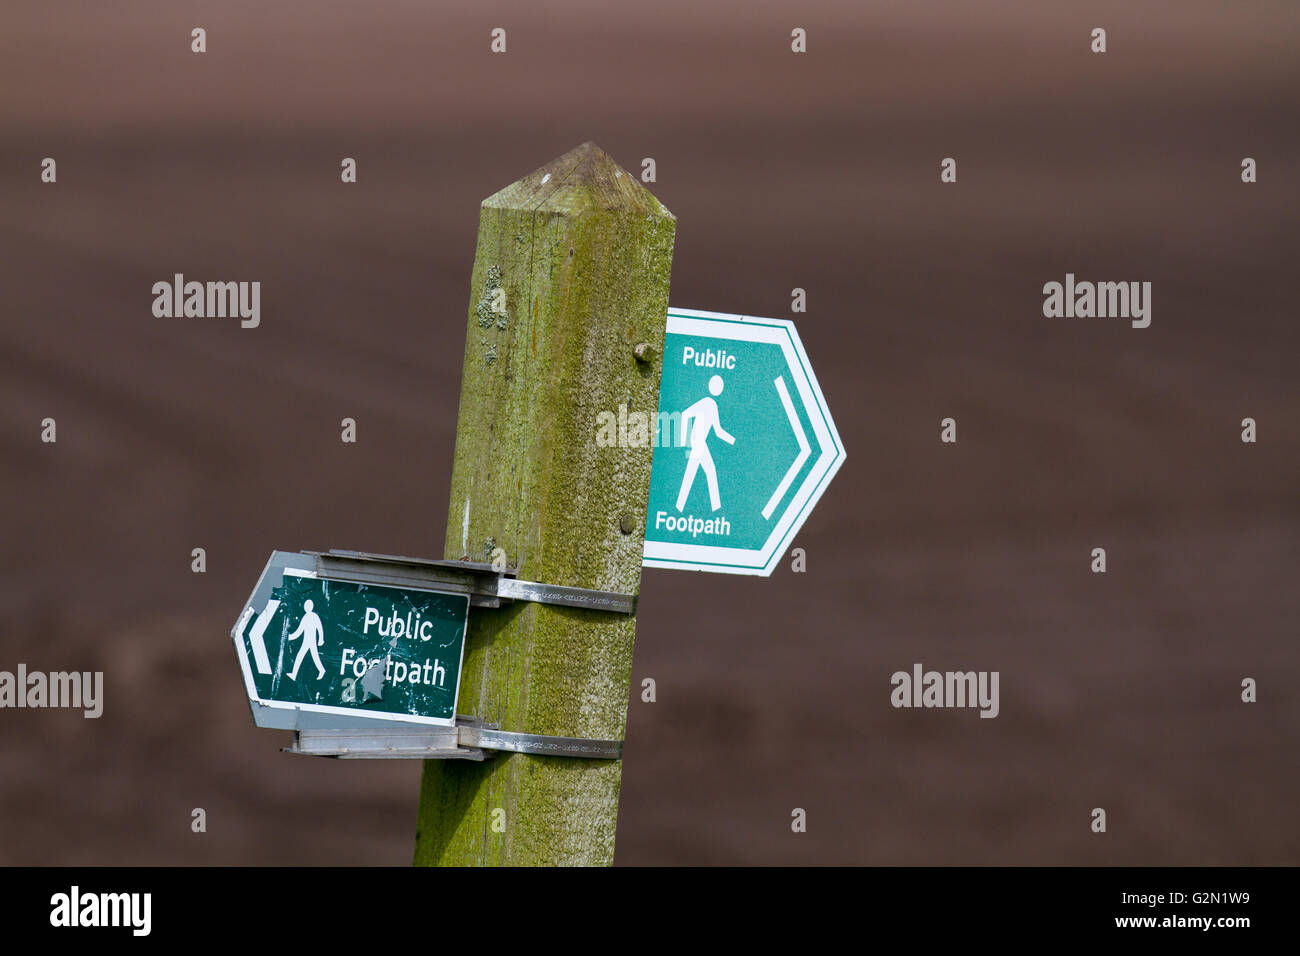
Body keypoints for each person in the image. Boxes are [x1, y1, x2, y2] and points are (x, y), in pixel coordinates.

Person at [676, 375, 735, 512]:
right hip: (697, 442)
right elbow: (685, 414)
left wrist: (734, 441)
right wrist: (682, 440)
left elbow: (718, 431)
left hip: (700, 442)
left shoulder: (712, 405)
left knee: (699, 472)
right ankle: (715, 509)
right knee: (705, 471)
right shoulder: (707, 402)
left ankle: (681, 507)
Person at [286, 599, 326, 681]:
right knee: (302, 656)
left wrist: (321, 639)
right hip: (306, 641)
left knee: (313, 657)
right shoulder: (305, 617)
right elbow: (300, 630)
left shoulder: (314, 616)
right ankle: (294, 674)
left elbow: (320, 628)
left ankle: (322, 670)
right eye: (305, 606)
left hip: (311, 641)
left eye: (307, 606)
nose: (306, 607)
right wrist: (290, 637)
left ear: (310, 607)